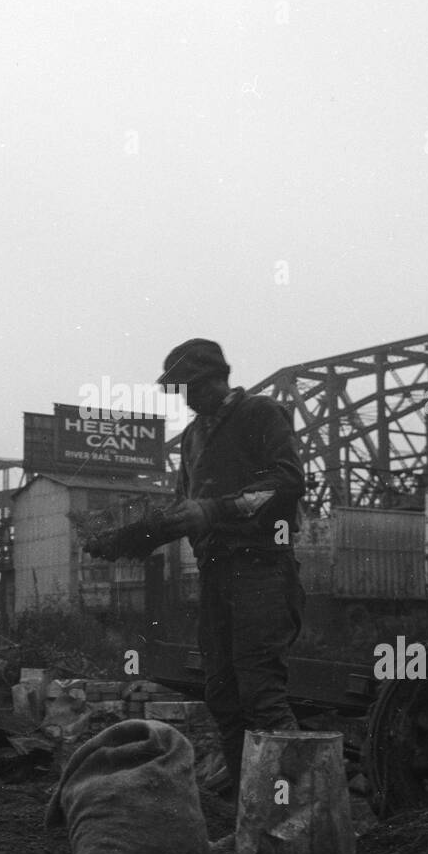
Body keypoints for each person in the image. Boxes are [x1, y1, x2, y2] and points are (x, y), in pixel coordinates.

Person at [155, 338, 307, 797]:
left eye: (191, 387)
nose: (186, 398)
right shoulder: (193, 436)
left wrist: (213, 512)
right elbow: (190, 506)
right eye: (180, 390)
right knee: (222, 691)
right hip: (217, 574)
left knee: (261, 693)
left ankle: (302, 810)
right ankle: (253, 808)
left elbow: (286, 482)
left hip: (261, 569)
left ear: (217, 379)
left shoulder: (261, 413)